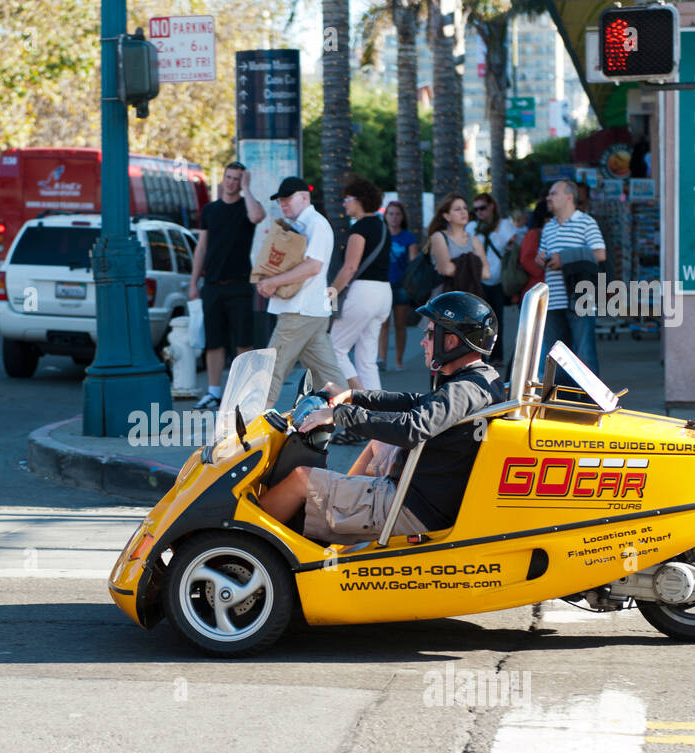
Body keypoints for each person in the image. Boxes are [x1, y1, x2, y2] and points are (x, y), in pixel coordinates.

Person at [259, 292, 506, 545]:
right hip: (426, 493)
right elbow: (416, 402)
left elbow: (413, 426)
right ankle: (340, 514)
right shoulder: (480, 380)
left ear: (451, 341)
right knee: (378, 444)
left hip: (412, 508)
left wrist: (339, 414)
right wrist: (355, 396)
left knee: (301, 478)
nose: (423, 342)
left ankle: (252, 547)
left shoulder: (465, 389)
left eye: (430, 334)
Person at [256, 177, 348, 409]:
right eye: (280, 200)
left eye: (288, 199)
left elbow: (313, 266)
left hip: (299, 310)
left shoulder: (315, 224)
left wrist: (273, 281)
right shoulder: (306, 224)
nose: (283, 204)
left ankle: (255, 424)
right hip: (309, 310)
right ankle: (356, 420)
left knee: (272, 369)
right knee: (328, 374)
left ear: (304, 197)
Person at [189, 161, 266, 410]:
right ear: (223, 179)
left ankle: (246, 394)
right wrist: (193, 283)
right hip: (212, 285)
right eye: (229, 177)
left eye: (237, 179)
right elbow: (201, 247)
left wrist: (247, 189)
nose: (232, 182)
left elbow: (257, 216)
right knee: (214, 342)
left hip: (240, 285)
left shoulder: (248, 206)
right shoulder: (210, 210)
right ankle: (213, 392)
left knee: (244, 343)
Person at [327, 177, 391, 400]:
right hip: (384, 294)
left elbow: (350, 267)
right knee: (367, 357)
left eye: (347, 199)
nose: (344, 203)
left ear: (360, 200)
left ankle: (362, 398)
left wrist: (331, 293)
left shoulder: (360, 228)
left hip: (363, 293)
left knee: (334, 349)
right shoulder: (383, 227)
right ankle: (379, 409)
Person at [536, 179, 605, 375]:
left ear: (569, 197)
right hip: (554, 300)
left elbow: (600, 254)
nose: (548, 198)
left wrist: (564, 258)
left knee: (584, 354)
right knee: (557, 356)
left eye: (553, 193)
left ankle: (591, 403)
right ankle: (564, 402)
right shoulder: (549, 227)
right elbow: (541, 256)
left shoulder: (586, 222)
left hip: (581, 298)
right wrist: (540, 259)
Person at [471, 192, 517, 364]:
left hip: (499, 279)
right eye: (476, 209)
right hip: (479, 280)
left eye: (482, 208)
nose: (479, 212)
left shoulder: (504, 224)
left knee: (497, 320)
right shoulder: (473, 227)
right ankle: (480, 355)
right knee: (480, 321)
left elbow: (512, 245)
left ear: (492, 206)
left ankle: (497, 355)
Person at [378, 200, 418, 372]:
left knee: (400, 325)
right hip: (382, 284)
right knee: (383, 325)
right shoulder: (380, 234)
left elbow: (413, 264)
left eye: (397, 214)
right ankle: (382, 360)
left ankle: (399, 361)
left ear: (402, 217)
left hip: (401, 285)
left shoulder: (408, 237)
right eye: (391, 213)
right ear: (385, 216)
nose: (394, 217)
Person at [426, 194, 489, 298]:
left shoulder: (474, 240)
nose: (463, 212)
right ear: (447, 216)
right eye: (457, 209)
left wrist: (459, 264)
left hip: (469, 302)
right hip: (442, 303)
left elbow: (486, 274)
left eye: (465, 208)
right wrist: (473, 263)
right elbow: (447, 269)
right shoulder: (438, 237)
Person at [518, 199, 548, 297]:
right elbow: (525, 259)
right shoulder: (533, 234)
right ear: (546, 218)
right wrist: (544, 270)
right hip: (535, 289)